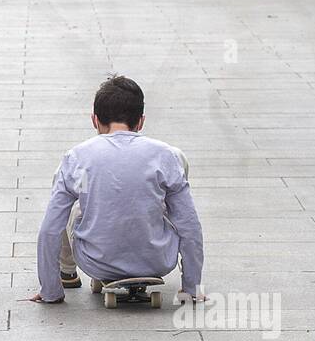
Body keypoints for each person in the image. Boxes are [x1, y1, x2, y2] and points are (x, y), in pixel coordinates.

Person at [31, 76, 203, 304]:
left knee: (70, 205)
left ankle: (67, 273)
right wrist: (192, 288)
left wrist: (50, 291)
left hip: (96, 262)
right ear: (140, 122)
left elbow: (50, 229)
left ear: (95, 120)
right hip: (159, 261)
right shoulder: (166, 155)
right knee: (165, 203)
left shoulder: (77, 157)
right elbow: (190, 226)